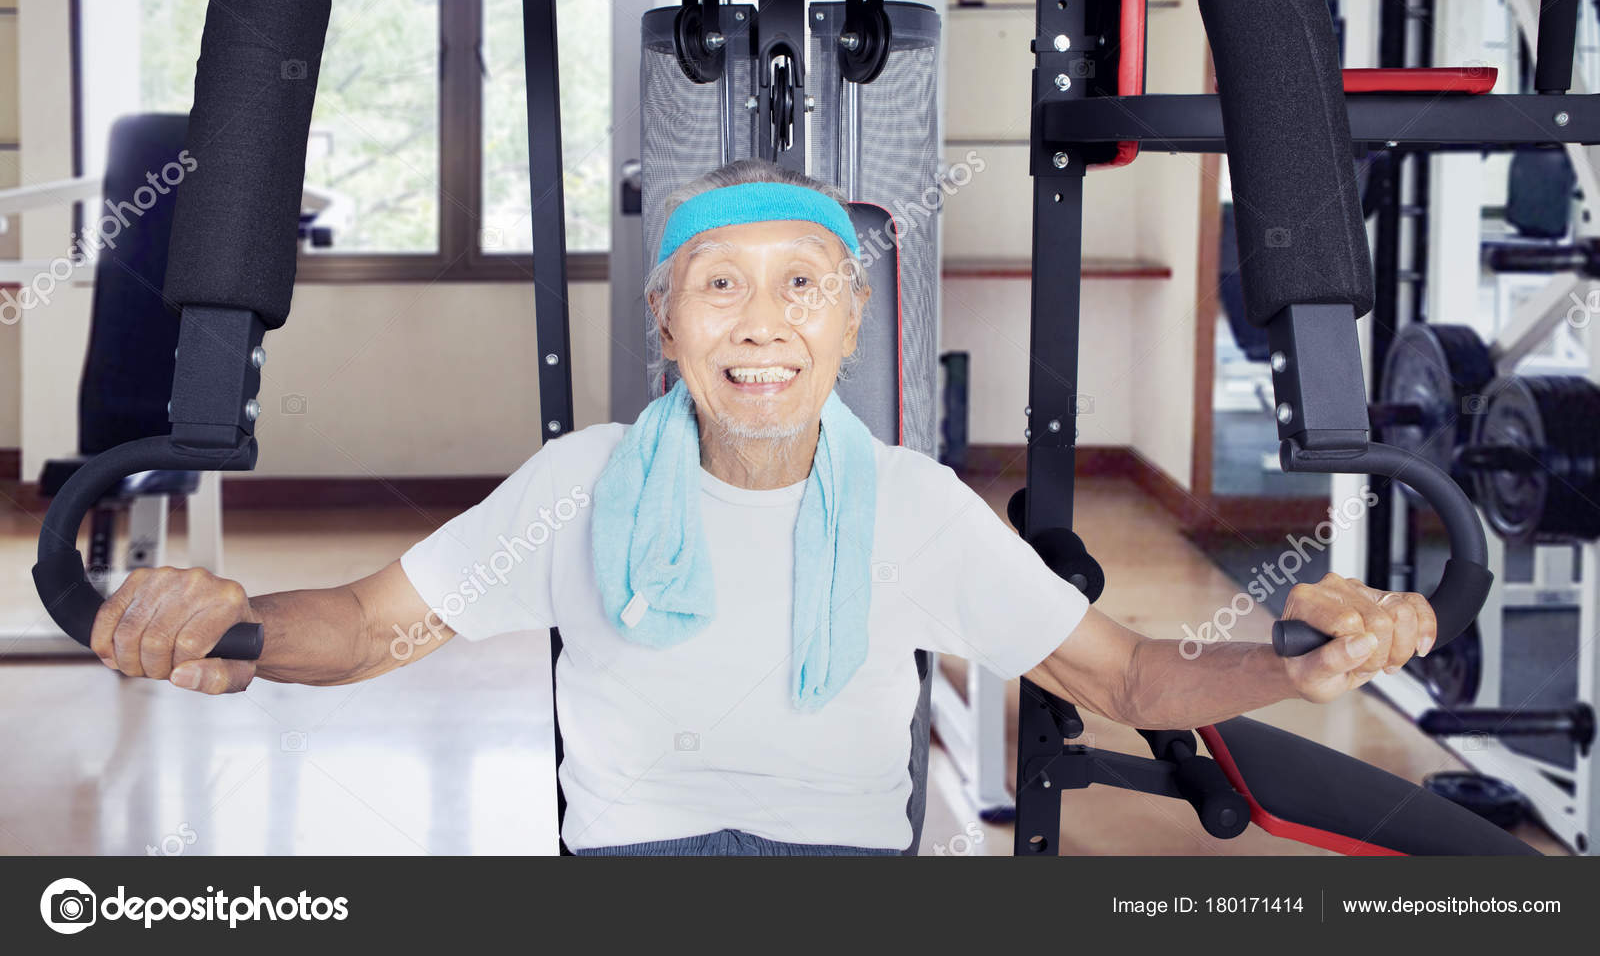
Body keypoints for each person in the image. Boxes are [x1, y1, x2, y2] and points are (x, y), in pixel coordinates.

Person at [90, 158, 1436, 856]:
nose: (764, 322)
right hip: (636, 863)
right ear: (666, 324)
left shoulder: (913, 509)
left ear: (852, 325)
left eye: (804, 283)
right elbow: (370, 627)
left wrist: (1291, 657)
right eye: (719, 284)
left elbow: (1130, 676)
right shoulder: (585, 482)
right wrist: (232, 623)